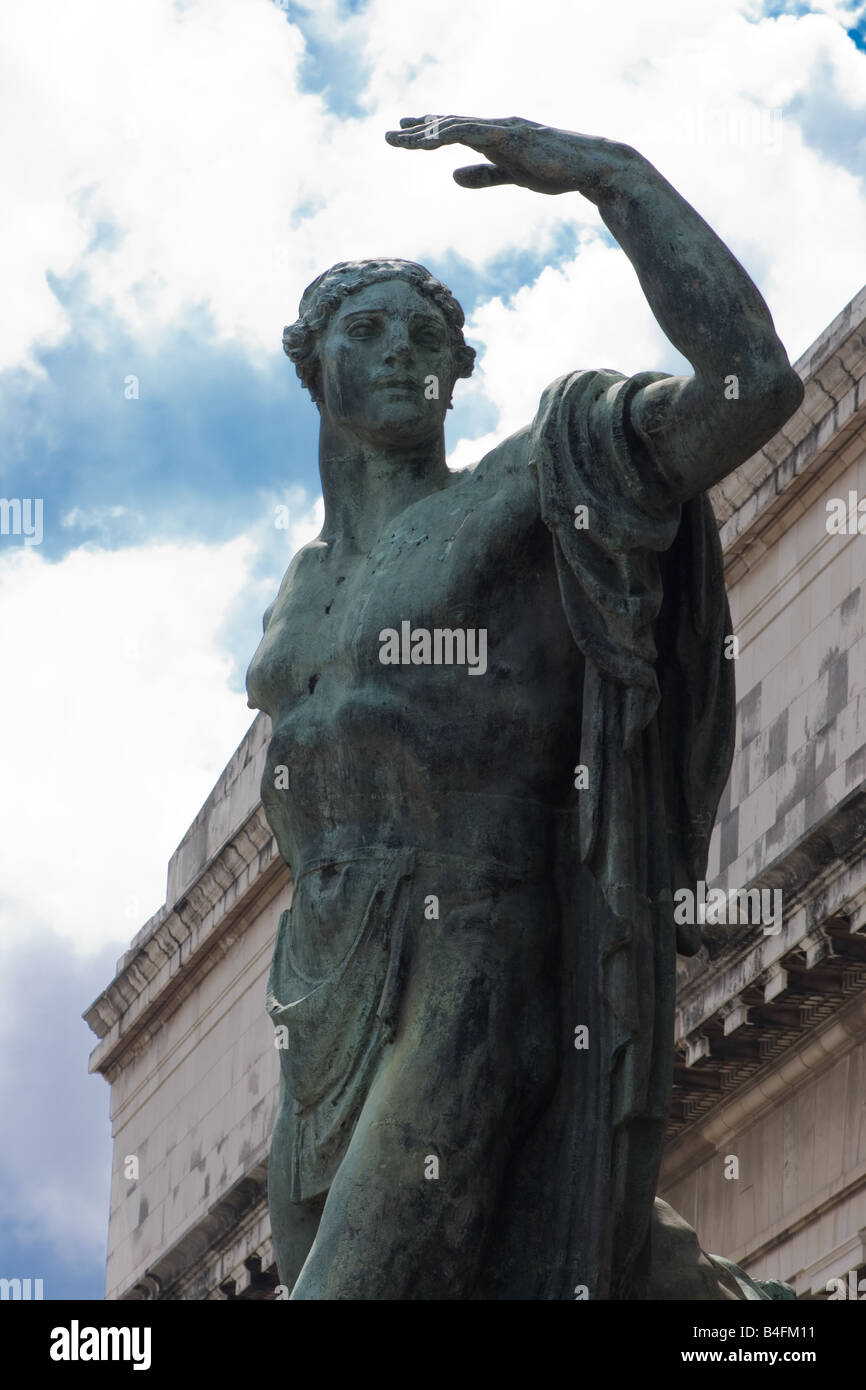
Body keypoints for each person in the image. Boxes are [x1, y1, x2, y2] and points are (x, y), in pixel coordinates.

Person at [245, 116, 803, 1299]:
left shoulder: (526, 487)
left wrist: (611, 175)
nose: (403, 352)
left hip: (477, 964)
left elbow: (750, 386)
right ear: (312, 361)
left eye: (428, 335)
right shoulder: (295, 597)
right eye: (369, 330)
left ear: (458, 371)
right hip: (322, 999)